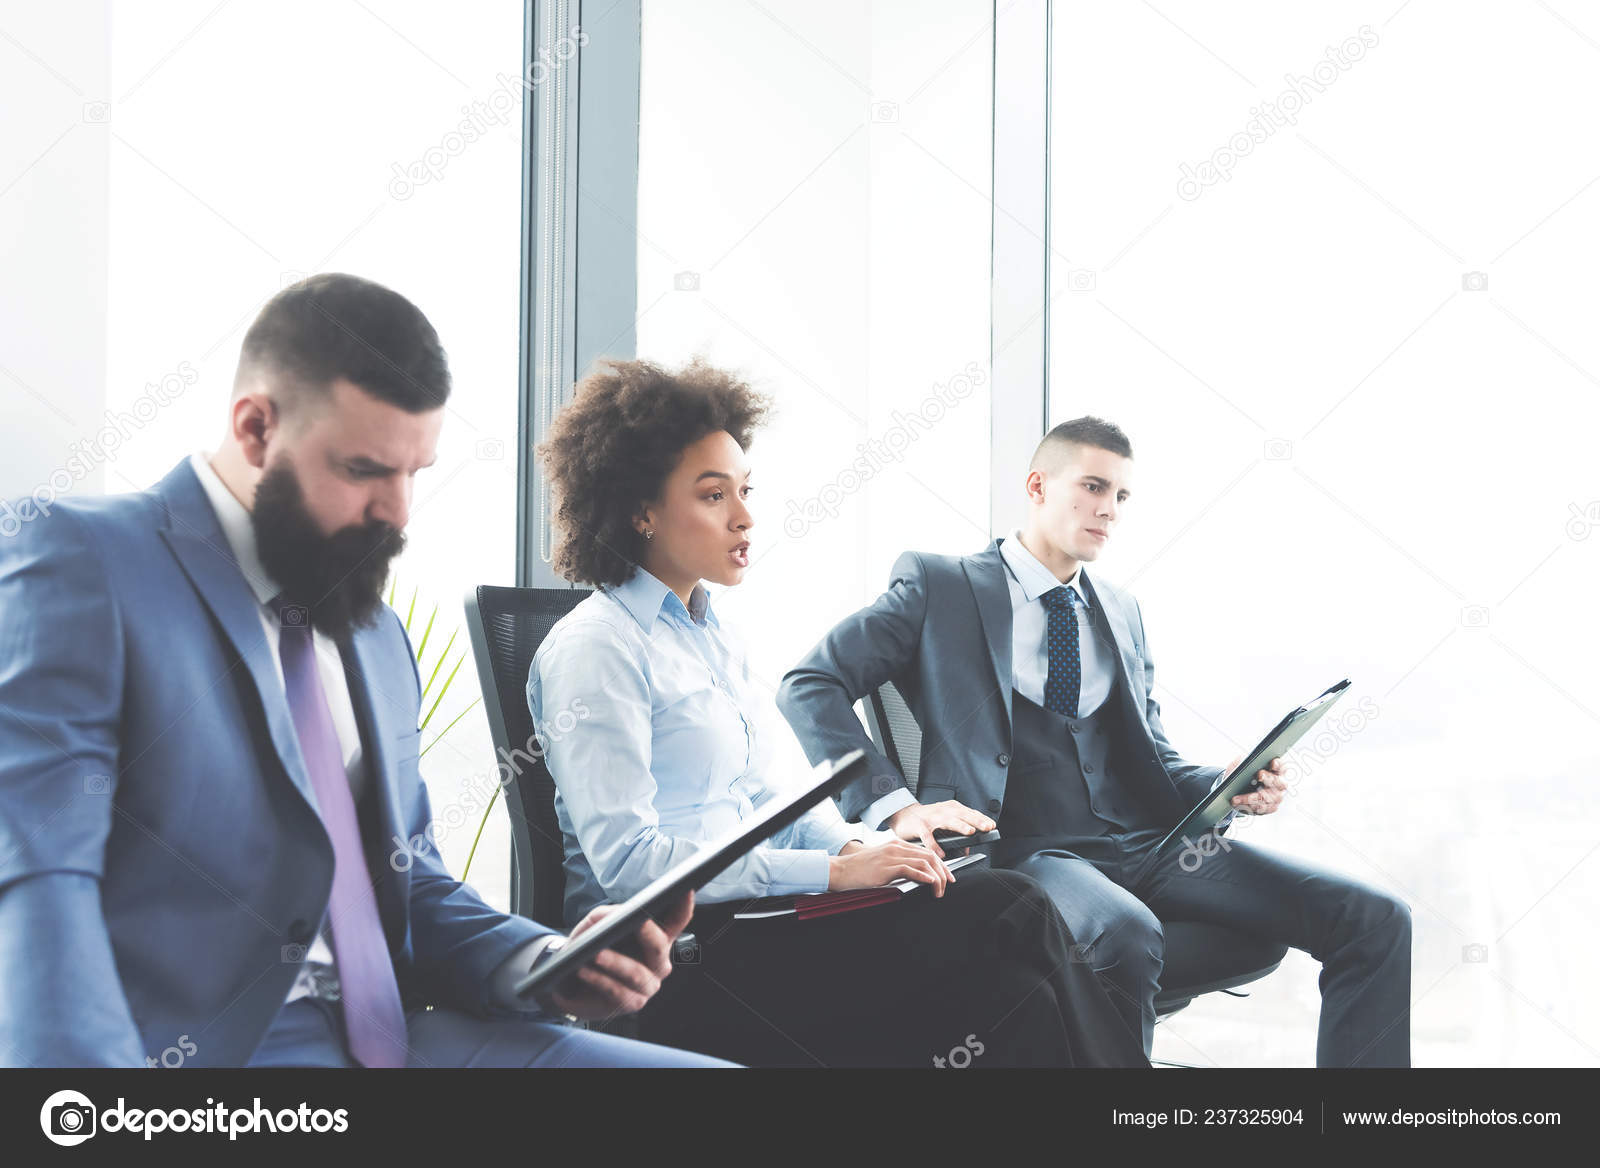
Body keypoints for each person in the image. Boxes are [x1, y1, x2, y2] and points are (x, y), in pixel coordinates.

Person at [0, 273, 728, 1068]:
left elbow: (409, 879)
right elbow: (40, 874)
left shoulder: (375, 633)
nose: (399, 510)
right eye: (363, 471)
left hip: (406, 1037)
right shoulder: (85, 561)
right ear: (254, 429)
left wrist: (545, 964)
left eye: (414, 471)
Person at [526, 359, 1147, 1068]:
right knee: (1012, 909)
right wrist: (831, 874)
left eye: (745, 491)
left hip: (767, 925)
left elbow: (784, 802)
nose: (745, 516)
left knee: (1011, 978)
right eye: (712, 495)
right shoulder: (596, 647)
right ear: (640, 509)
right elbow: (633, 870)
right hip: (690, 962)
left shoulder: (707, 636)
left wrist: (858, 848)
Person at [777, 416, 1413, 1066]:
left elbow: (1153, 759)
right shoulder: (941, 586)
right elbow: (810, 683)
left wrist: (1226, 782)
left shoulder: (1120, 610)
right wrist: (898, 806)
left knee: (1375, 918)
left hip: (1150, 847)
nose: (1108, 509)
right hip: (1026, 852)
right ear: (1037, 485)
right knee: (1127, 934)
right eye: (1092, 486)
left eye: (1121, 497)